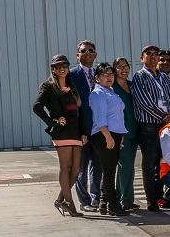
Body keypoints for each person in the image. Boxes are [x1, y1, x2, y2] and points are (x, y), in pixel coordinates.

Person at [33, 55, 87, 217]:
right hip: (62, 131)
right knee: (65, 167)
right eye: (58, 66)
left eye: (65, 65)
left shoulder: (72, 85)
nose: (62, 68)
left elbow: (80, 110)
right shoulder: (48, 86)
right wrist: (53, 121)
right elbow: (37, 107)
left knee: (76, 169)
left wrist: (83, 131)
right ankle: (70, 204)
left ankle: (60, 199)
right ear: (53, 69)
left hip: (76, 130)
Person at [132, 44, 170, 212]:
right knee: (149, 165)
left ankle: (160, 197)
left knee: (162, 163)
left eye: (155, 54)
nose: (153, 57)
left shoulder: (164, 77)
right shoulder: (140, 76)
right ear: (142, 58)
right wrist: (164, 115)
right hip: (149, 127)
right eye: (148, 54)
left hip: (165, 126)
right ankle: (151, 200)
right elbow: (143, 102)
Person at [89, 62, 128, 215]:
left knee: (110, 170)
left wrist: (120, 135)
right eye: (105, 75)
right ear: (97, 78)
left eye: (111, 74)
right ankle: (113, 205)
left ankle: (105, 203)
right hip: (104, 135)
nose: (109, 77)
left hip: (114, 135)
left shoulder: (110, 91)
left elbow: (117, 116)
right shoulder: (98, 93)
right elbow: (100, 119)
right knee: (109, 170)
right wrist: (109, 137)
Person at [69, 40, 100, 211]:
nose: (87, 53)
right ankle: (84, 202)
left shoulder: (100, 73)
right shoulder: (72, 75)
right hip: (81, 129)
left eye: (91, 50)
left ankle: (96, 198)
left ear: (95, 54)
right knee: (81, 167)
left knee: (98, 165)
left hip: (99, 128)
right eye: (83, 50)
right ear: (78, 55)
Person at [112, 57, 139, 210]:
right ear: (114, 69)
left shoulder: (131, 85)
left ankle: (119, 196)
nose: (123, 69)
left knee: (126, 167)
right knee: (127, 165)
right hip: (120, 132)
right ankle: (126, 200)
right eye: (119, 66)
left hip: (134, 130)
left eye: (126, 66)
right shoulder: (112, 87)